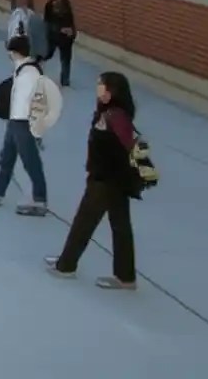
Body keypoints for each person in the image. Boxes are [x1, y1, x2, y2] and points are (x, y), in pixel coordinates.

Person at [46, 72, 138, 290]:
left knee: (84, 222)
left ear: (112, 91)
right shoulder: (110, 113)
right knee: (120, 225)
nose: (98, 88)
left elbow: (125, 147)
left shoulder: (115, 117)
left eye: (101, 85)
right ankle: (126, 276)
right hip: (113, 179)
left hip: (105, 180)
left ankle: (66, 265)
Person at [0, 36, 50, 216]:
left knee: (30, 160)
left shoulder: (29, 73)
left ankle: (39, 199)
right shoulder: (23, 69)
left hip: (23, 122)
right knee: (7, 158)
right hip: (15, 120)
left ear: (14, 52)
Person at [43, 0, 76, 87]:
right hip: (53, 36)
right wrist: (58, 29)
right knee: (45, 54)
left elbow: (71, 20)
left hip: (66, 38)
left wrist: (72, 32)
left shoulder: (67, 5)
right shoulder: (49, 5)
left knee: (66, 59)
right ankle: (36, 71)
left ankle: (65, 80)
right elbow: (47, 22)